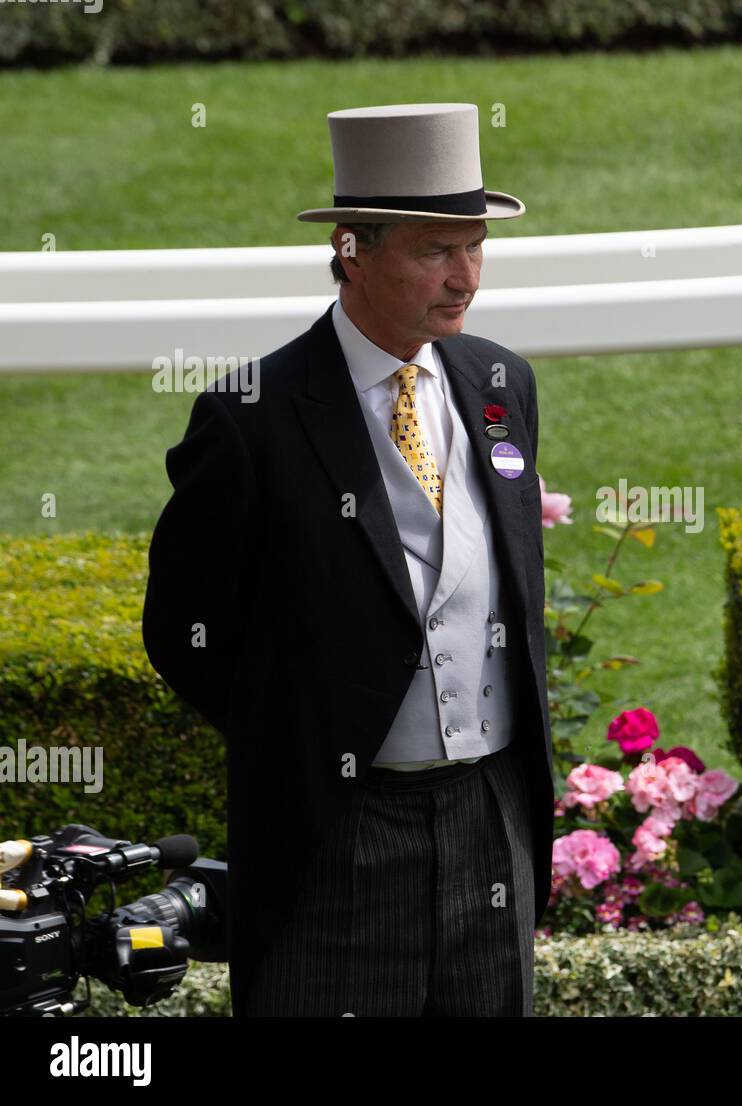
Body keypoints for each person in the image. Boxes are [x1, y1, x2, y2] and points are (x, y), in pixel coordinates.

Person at [141, 103, 553, 1016]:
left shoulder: (500, 383)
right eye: (435, 250)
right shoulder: (250, 417)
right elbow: (183, 632)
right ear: (350, 249)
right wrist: (305, 731)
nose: (466, 277)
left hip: (492, 821)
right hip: (339, 833)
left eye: (476, 244)